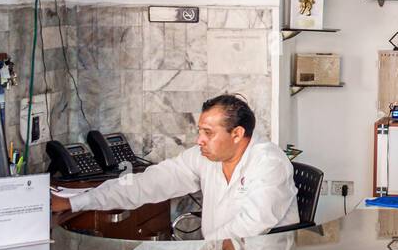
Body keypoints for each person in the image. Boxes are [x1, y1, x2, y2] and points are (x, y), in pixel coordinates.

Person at [50, 95, 298, 239]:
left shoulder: (269, 163)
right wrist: (75, 203)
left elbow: (250, 226)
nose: (199, 140)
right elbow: (146, 183)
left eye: (208, 133)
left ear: (237, 134)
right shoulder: (205, 157)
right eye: (200, 131)